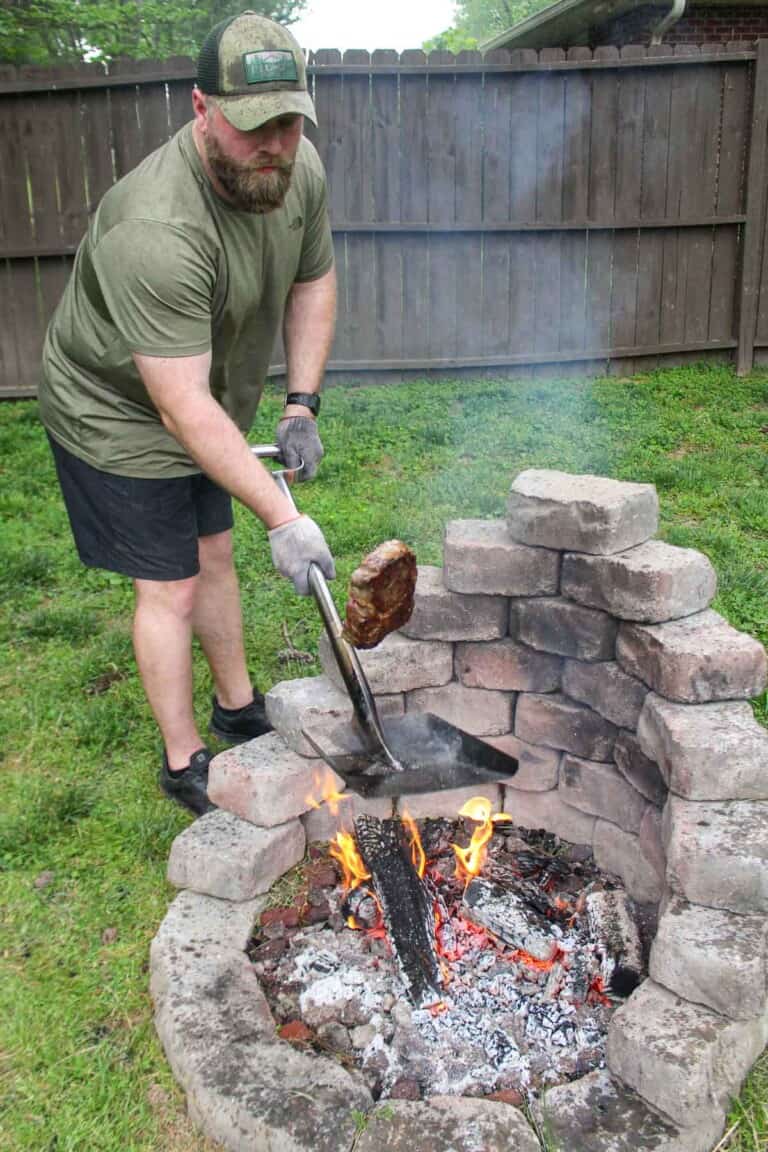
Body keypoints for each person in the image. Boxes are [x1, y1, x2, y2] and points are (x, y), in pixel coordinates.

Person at [37, 11, 337, 816]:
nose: (273, 143)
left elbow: (313, 279)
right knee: (167, 582)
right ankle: (184, 760)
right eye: (252, 126)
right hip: (115, 409)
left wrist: (300, 402)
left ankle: (238, 708)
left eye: (287, 121)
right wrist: (284, 515)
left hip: (201, 403)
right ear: (201, 108)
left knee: (213, 552)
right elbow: (176, 408)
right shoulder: (158, 226)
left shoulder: (295, 168)